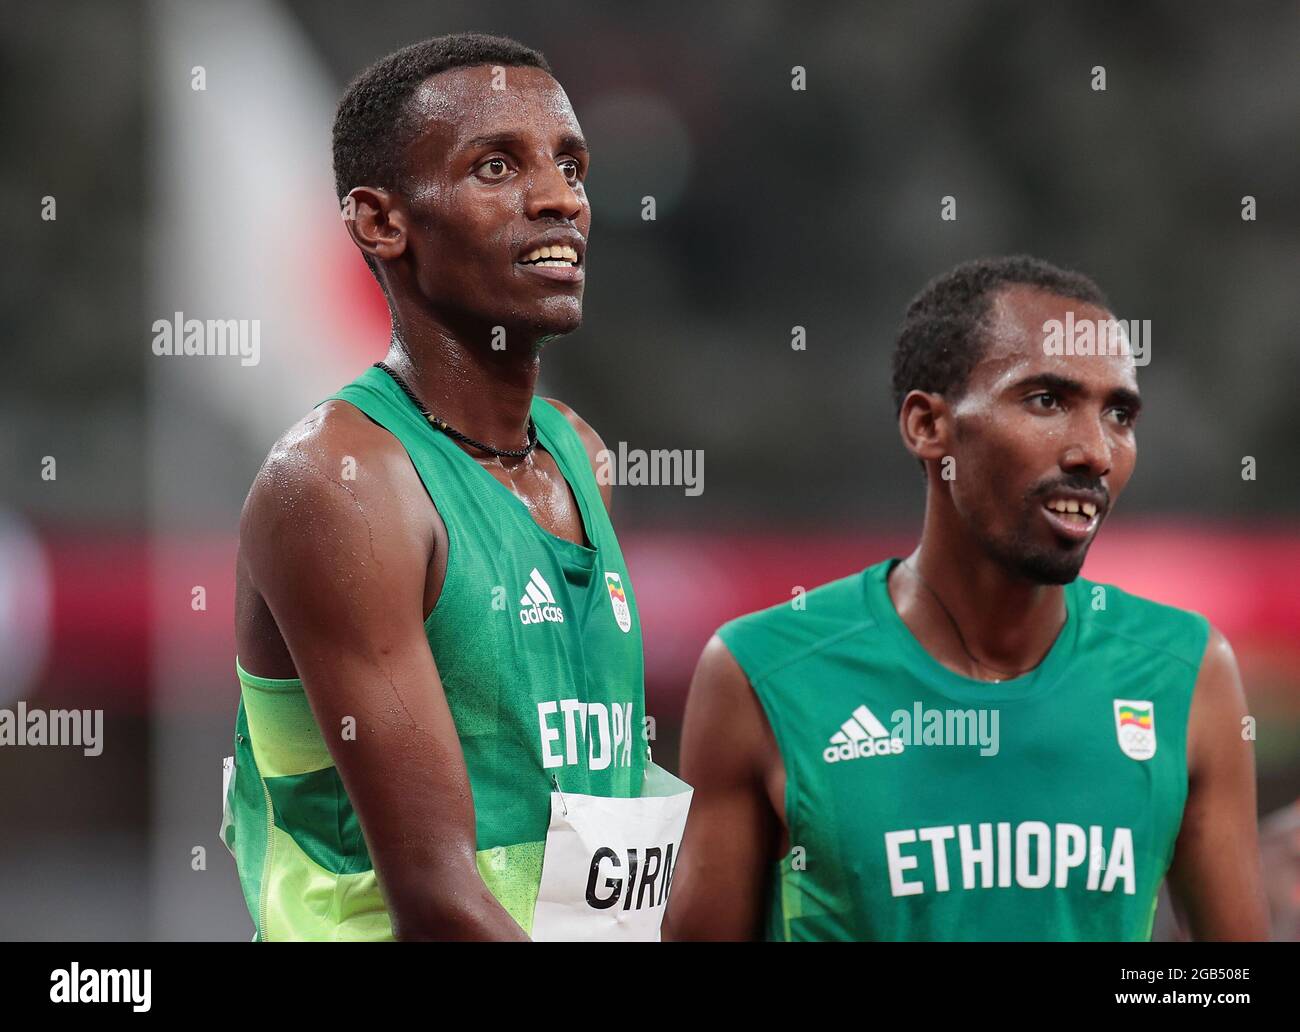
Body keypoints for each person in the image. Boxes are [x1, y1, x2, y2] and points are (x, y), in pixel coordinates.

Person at [223, 32, 689, 942]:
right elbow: (440, 904)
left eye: (571, 165)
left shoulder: (579, 456)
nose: (559, 198)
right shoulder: (342, 486)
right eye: (496, 167)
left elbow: (601, 835)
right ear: (380, 222)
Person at [665, 256, 1269, 941]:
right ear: (928, 427)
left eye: (1120, 414)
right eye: (1047, 401)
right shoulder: (761, 672)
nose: (1096, 452)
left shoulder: (1189, 673)